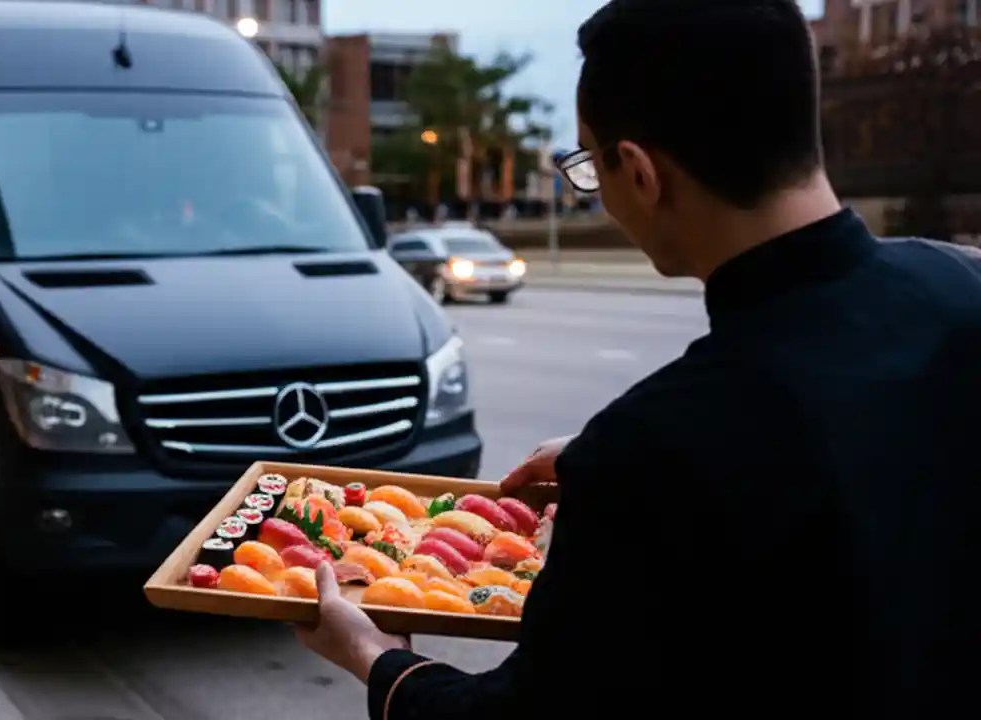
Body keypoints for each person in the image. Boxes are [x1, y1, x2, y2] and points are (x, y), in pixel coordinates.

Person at [295, 1, 981, 717]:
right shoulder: (963, 286)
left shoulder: (653, 449)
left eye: (589, 166)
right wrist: (609, 466)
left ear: (640, 171)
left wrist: (375, 656)